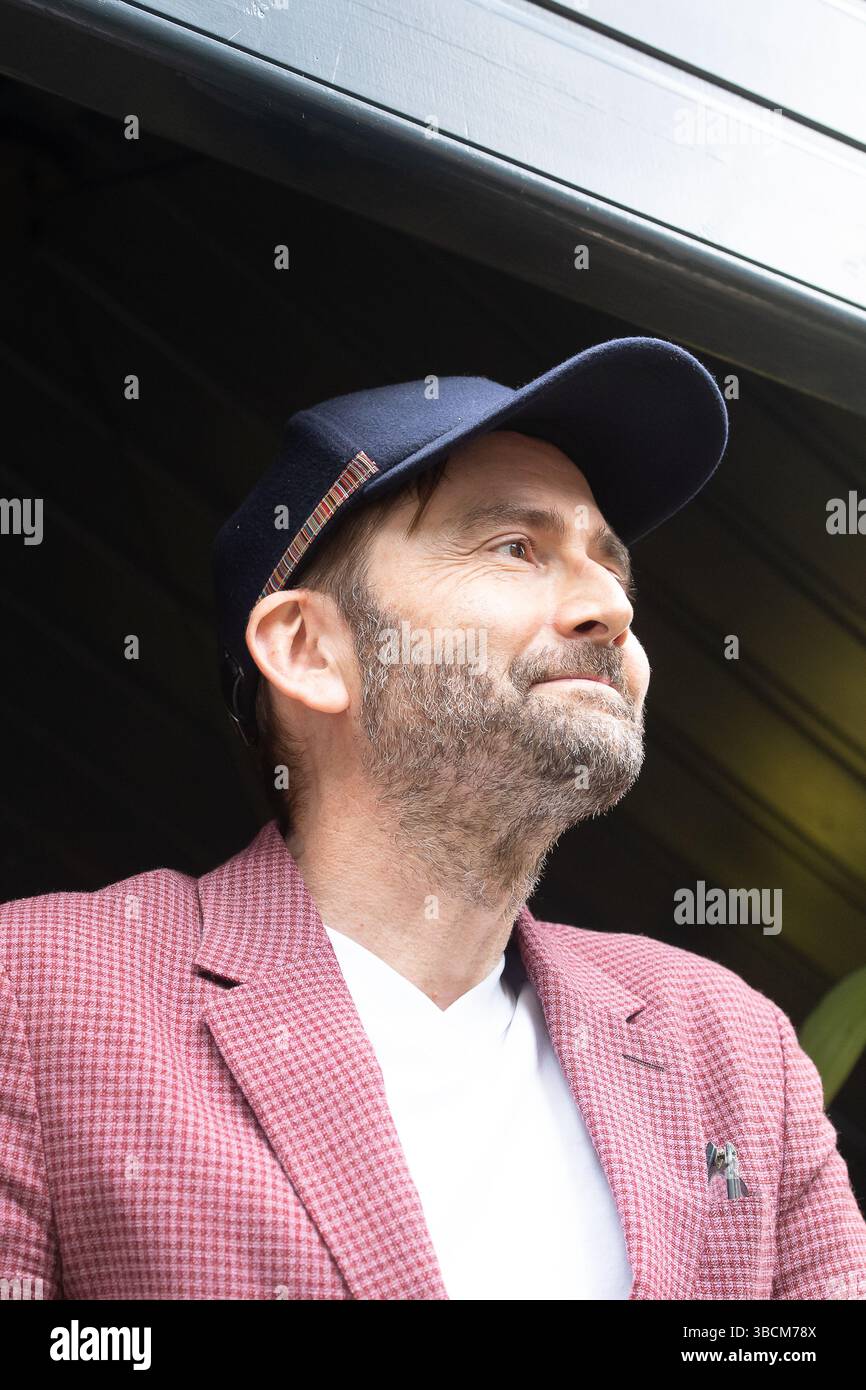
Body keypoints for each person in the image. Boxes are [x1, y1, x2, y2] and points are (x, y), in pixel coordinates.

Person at [2, 337, 864, 1300]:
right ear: (309, 649)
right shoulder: (38, 995)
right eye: (516, 548)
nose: (612, 608)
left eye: (613, 569)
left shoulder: (732, 1048)